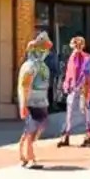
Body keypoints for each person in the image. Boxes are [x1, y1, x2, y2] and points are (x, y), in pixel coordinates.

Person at [17, 31, 54, 169]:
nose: (45, 51)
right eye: (41, 49)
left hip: (41, 101)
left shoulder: (42, 66)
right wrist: (23, 104)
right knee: (31, 130)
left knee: (36, 128)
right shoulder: (30, 66)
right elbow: (24, 86)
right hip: (32, 102)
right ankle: (29, 157)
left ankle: (24, 153)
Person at [57, 35, 90, 147]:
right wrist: (66, 85)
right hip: (72, 88)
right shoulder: (71, 58)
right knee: (70, 112)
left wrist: (87, 91)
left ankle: (88, 135)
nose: (77, 47)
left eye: (79, 44)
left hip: (83, 88)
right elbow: (69, 73)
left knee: (84, 111)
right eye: (75, 44)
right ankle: (66, 136)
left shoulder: (88, 58)